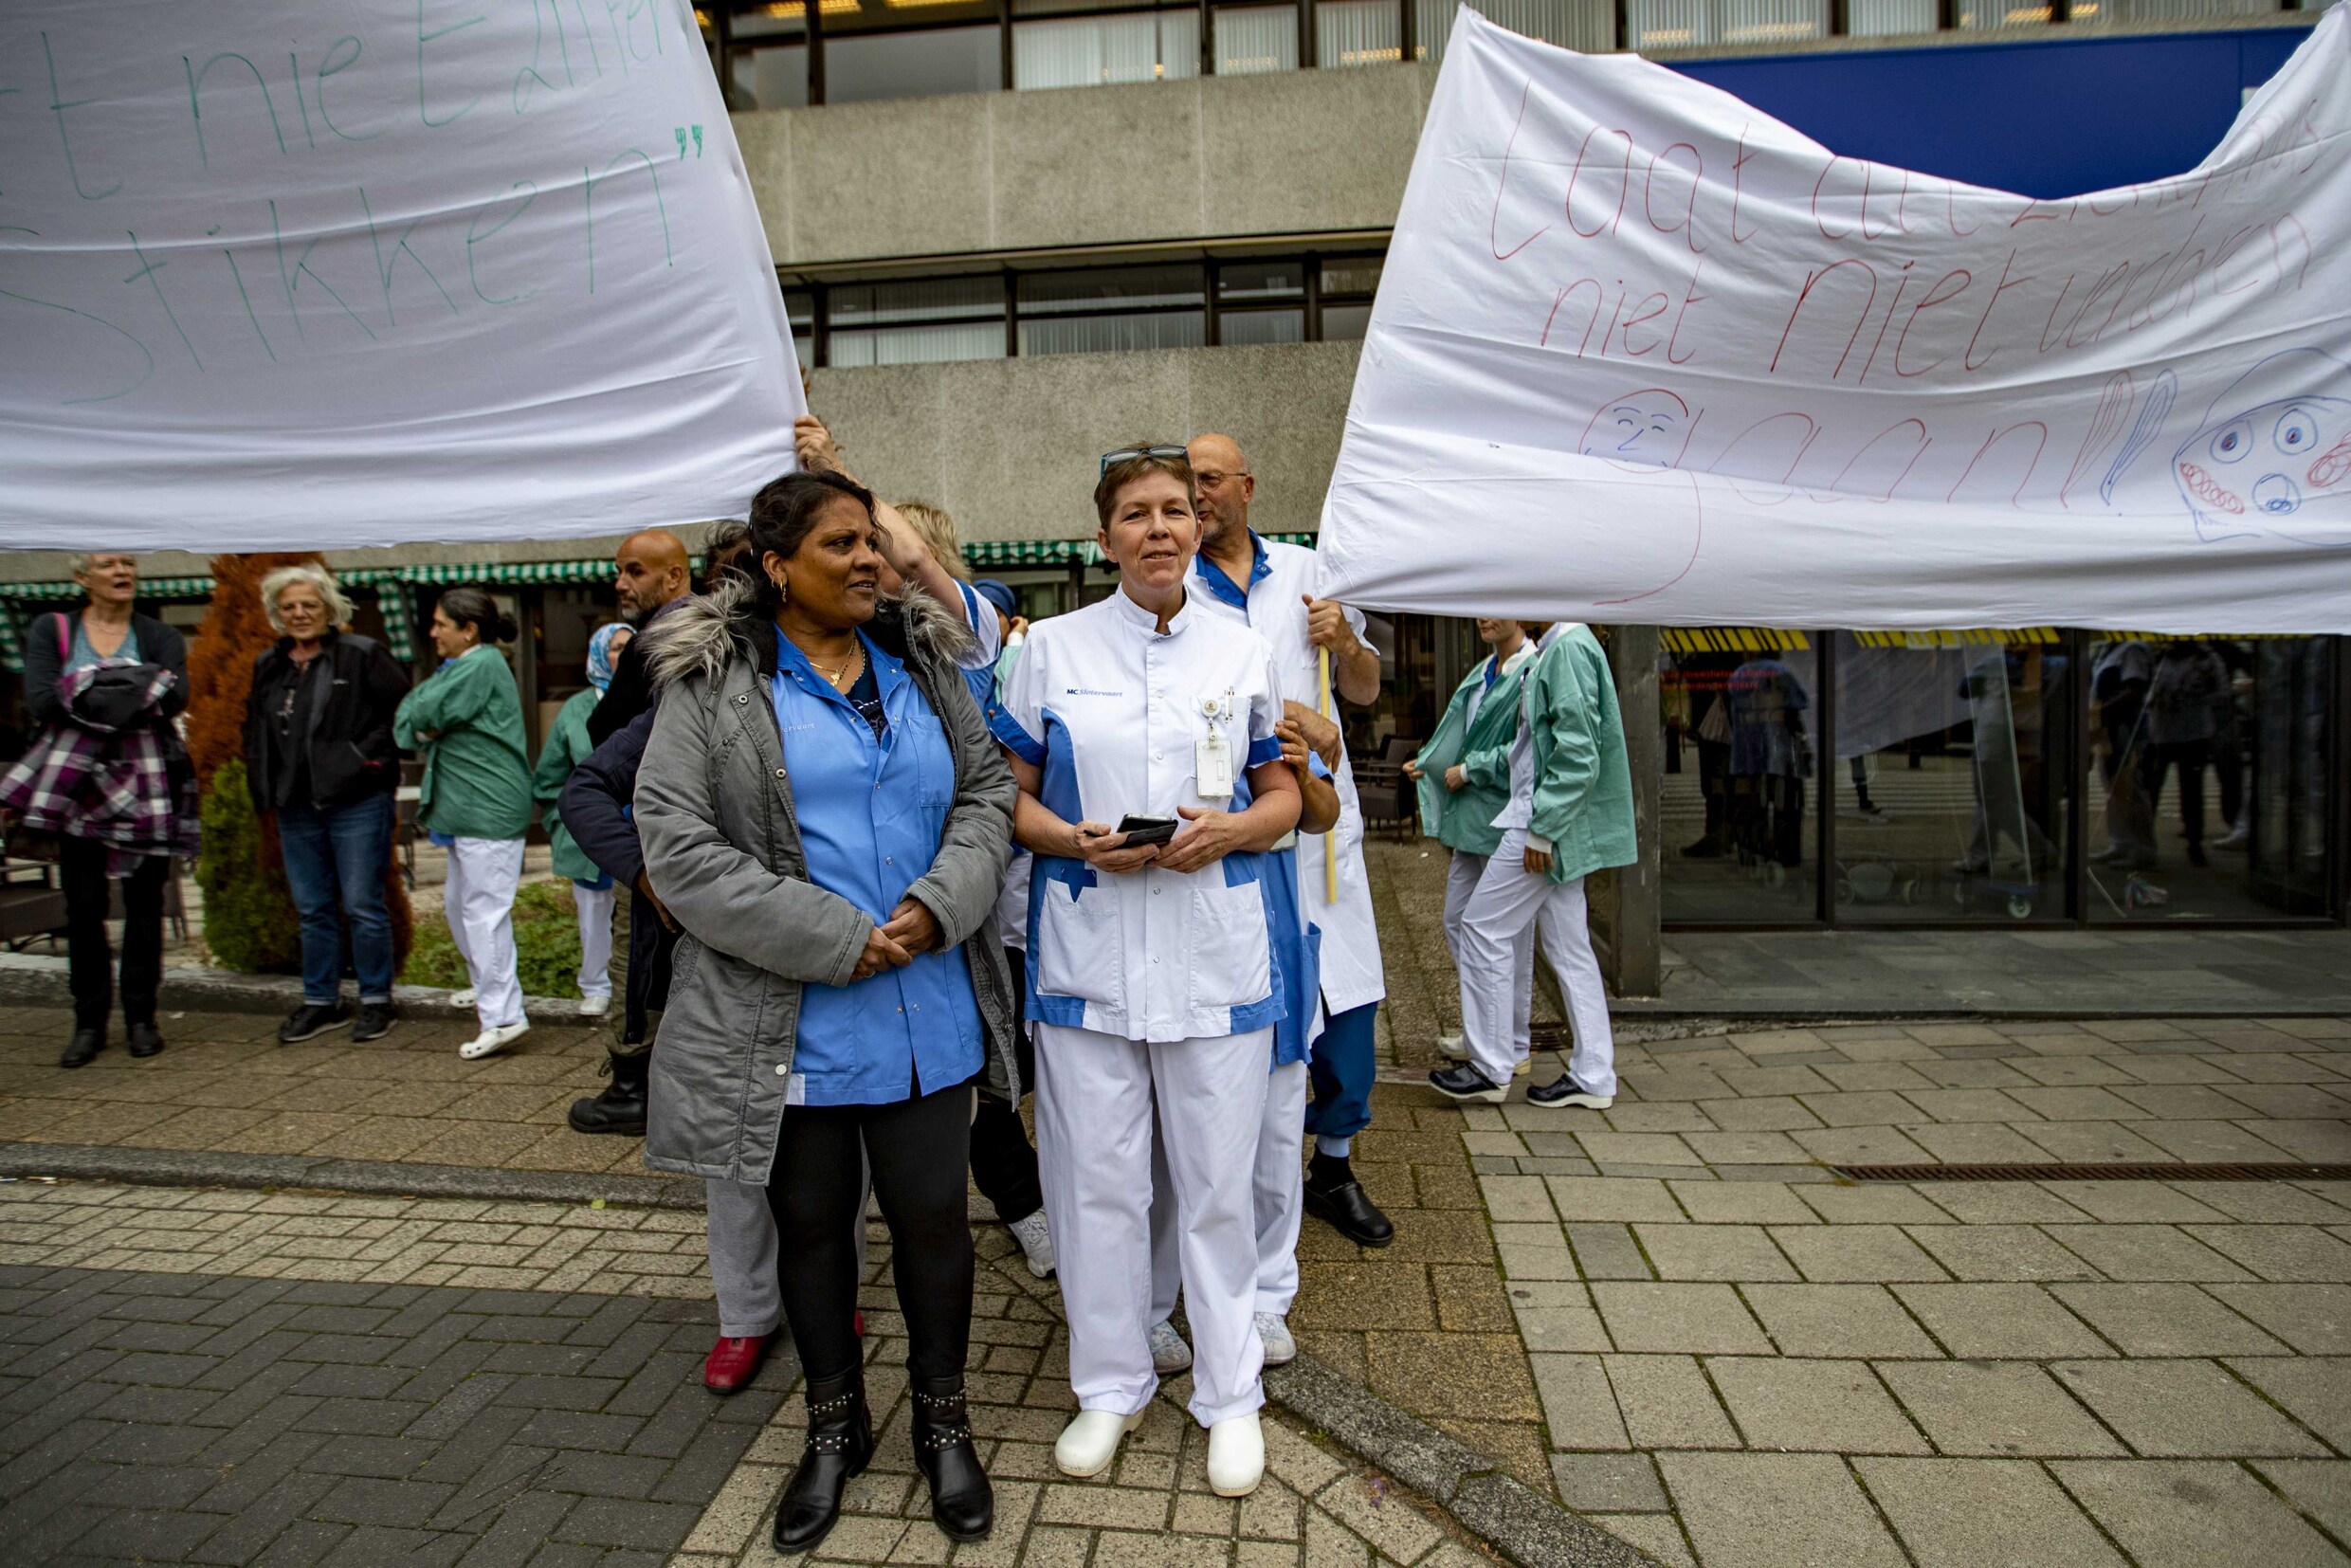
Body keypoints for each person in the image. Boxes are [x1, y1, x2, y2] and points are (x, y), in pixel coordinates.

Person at [635, 469, 1018, 1553]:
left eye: (872, 544)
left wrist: (938, 905)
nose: (868, 561)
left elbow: (986, 791)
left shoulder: (923, 662)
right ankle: (832, 1428)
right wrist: (832, 934)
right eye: (841, 544)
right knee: (810, 1232)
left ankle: (944, 1428)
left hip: (927, 1000)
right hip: (789, 1017)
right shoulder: (712, 687)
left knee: (935, 1228)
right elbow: (677, 846)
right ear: (774, 565)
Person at [993, 443, 1304, 1498]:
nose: (1160, 528)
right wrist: (1072, 841)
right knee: (1098, 1186)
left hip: (1214, 953)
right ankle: (1109, 1386)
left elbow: (1283, 800)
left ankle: (1229, 1395)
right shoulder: (1050, 650)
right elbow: (1007, 796)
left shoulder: (1240, 648)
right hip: (1089, 958)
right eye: (1136, 514)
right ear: (1104, 538)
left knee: (1217, 1187)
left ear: (1200, 522)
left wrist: (1229, 834)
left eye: (1176, 508)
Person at [1187, 432, 1394, 1255]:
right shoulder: (1177, 591)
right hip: (1240, 832)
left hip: (1324, 833)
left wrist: (1344, 641)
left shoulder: (1311, 573)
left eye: (1208, 480)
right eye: (1186, 483)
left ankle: (1334, 1164)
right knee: (1259, 1007)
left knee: (1347, 1005)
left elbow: (1368, 690)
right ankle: (1246, 1167)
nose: (1197, 496)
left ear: (1247, 484)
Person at [1429, 623, 1636, 1110]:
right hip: (1545, 818)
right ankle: (1593, 1074)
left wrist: (1543, 827)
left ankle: (1491, 1065)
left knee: (1482, 928)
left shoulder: (1566, 647)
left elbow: (1578, 753)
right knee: (1569, 948)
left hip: (1540, 821)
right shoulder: (1562, 645)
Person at [13, 554, 188, 1068]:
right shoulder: (55, 629)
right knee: (84, 906)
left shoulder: (158, 634)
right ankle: (89, 1022)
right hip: (76, 787)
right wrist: (134, 690)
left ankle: (141, 1018)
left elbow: (176, 698)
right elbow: (42, 700)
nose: (121, 570)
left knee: (144, 902)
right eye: (107, 562)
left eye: (128, 561)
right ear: (81, 578)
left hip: (147, 782)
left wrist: (87, 690)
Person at [242, 565, 412, 1046]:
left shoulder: (361, 655)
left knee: (362, 904)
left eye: (309, 605)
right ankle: (322, 1001)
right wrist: (263, 791)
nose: (299, 614)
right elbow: (253, 729)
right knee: (313, 907)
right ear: (277, 613)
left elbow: (402, 715)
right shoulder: (268, 665)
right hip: (294, 805)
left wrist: (362, 761)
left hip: (356, 801)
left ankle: (377, 999)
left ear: (329, 609)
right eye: (289, 606)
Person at [394, 588, 534, 1060]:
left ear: (467, 629)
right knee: (460, 908)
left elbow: (420, 713)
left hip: (486, 809)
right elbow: (409, 719)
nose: (432, 632)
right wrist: (423, 719)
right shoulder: (465, 666)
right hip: (469, 809)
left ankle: (504, 1016)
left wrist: (427, 721)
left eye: (439, 623)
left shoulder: (479, 664)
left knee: (483, 913)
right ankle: (488, 991)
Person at [1405, 618, 1540, 1076]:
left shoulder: (1532, 669)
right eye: (1479, 607)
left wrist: (1470, 769)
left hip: (1502, 815)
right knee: (1460, 922)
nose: (1484, 616)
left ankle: (1512, 1043)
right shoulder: (1485, 668)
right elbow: (1460, 731)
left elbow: (1528, 748)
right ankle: (1486, 1030)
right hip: (1471, 819)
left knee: (1507, 937)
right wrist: (1431, 761)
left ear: (1521, 613)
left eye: (1495, 606)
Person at [535, 623, 632, 1020]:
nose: (623, 655)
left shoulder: (646, 696)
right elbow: (549, 775)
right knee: (592, 910)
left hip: (637, 826)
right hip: (589, 830)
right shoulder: (575, 708)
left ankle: (631, 990)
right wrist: (564, 818)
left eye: (631, 647)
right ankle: (595, 985)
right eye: (615, 648)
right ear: (597, 655)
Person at [587, 530, 695, 749]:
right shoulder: (718, 631)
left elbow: (605, 730)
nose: (620, 584)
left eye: (635, 572)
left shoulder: (648, 646)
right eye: (619, 572)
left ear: (673, 577)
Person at [2145, 639, 2231, 869]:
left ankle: (2195, 843)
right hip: (2161, 733)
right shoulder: (2159, 659)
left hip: (2194, 734)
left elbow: (2223, 694)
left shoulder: (2207, 660)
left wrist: (2194, 697)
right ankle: (2143, 843)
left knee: (2192, 790)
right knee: (2151, 789)